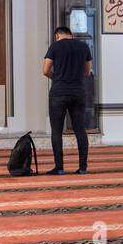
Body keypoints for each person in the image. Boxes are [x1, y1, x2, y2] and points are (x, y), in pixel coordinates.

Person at [43, 25, 92, 175]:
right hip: (78, 92)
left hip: (59, 92)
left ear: (57, 35)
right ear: (70, 34)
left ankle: (59, 167)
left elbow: (45, 70)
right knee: (80, 130)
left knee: (56, 131)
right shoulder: (83, 46)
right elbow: (88, 71)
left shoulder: (55, 46)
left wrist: (57, 78)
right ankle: (83, 167)